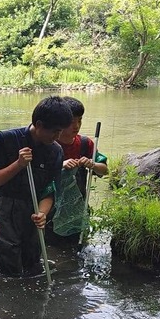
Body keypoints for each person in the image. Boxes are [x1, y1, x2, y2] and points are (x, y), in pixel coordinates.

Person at [0, 96, 73, 277]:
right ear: (39, 125)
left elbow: (50, 189)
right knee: (8, 269)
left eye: (60, 131)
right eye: (55, 131)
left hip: (33, 212)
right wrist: (18, 164)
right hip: (5, 210)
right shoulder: (5, 139)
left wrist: (42, 213)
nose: (58, 137)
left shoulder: (55, 150)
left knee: (33, 266)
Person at [45, 97, 108, 247]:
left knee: (77, 248)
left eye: (79, 120)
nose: (76, 126)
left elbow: (104, 169)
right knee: (50, 247)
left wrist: (92, 164)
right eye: (71, 122)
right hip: (49, 210)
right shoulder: (48, 144)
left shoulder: (86, 144)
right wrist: (60, 165)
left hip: (77, 209)